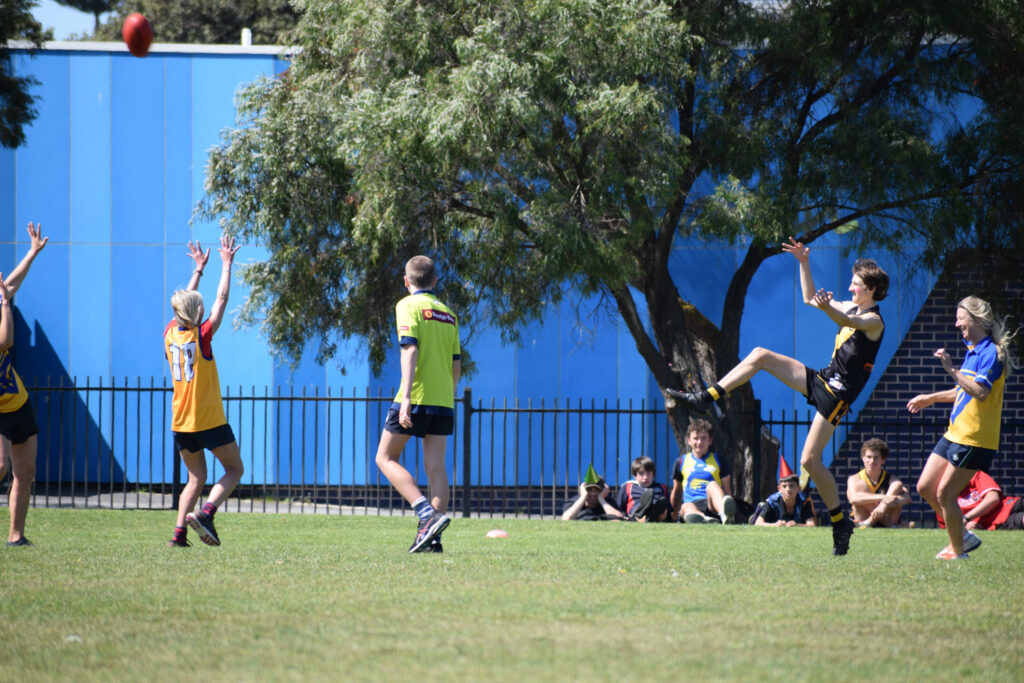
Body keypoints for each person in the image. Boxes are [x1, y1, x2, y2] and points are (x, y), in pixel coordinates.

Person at [668, 238, 887, 554]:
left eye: (857, 284)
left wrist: (828, 307)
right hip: (823, 380)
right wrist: (803, 261)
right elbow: (809, 297)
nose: (851, 287)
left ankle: (841, 524)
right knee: (760, 355)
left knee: (809, 461)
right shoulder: (851, 306)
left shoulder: (874, 321)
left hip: (837, 397)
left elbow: (848, 321)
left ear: (872, 290)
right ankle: (708, 396)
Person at [907, 296, 1018, 560]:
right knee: (925, 487)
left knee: (945, 494)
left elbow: (980, 392)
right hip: (955, 433)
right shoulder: (973, 350)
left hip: (974, 439)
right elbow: (963, 391)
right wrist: (930, 398)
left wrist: (952, 370)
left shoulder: (991, 353)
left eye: (961, 319)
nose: (957, 324)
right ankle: (963, 536)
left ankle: (958, 553)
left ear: (977, 319)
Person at [374, 255, 461, 553]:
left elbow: (409, 350)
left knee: (385, 458)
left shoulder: (407, 305)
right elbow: (456, 364)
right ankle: (432, 539)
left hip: (417, 396)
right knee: (436, 468)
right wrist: (448, 394)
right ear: (435, 281)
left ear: (406, 281)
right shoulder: (449, 314)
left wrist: (407, 398)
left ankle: (426, 514)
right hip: (443, 399)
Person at [165, 236, 245, 548]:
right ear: (196, 312)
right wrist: (226, 265)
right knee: (235, 469)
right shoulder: (202, 336)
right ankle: (207, 513)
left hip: (181, 422)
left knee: (195, 478)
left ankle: (178, 535)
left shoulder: (170, 334)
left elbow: (182, 304)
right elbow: (221, 299)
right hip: (208, 419)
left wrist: (198, 270)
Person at [0, 222, 47, 546]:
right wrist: (5, 305)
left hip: (18, 402)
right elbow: (6, 340)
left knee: (25, 471)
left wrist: (31, 253)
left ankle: (16, 536)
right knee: (0, 466)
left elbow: (10, 284)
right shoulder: (2, 312)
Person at [670, 418, 736, 524]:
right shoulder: (681, 462)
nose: (699, 442)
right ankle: (703, 519)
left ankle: (725, 515)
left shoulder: (719, 460)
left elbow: (726, 489)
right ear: (689, 440)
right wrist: (673, 516)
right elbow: (677, 492)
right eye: (695, 438)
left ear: (710, 440)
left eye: (703, 438)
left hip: (712, 504)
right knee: (686, 506)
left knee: (712, 485)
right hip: (691, 505)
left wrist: (733, 512)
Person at [846, 437, 911, 528]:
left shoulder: (891, 479)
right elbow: (853, 499)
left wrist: (883, 505)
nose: (872, 461)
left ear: (883, 460)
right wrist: (883, 497)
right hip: (864, 518)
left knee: (897, 485)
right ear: (863, 458)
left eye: (876, 458)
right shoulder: (854, 479)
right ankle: (890, 525)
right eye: (869, 457)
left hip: (885, 517)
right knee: (861, 487)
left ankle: (870, 522)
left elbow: (907, 498)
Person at [935, 470, 1024, 533]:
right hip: (996, 521)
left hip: (1009, 504)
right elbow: (951, 530)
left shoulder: (973, 475)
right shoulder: (944, 501)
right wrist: (966, 527)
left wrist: (966, 519)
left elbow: (993, 498)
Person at [615, 455, 672, 522]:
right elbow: (619, 507)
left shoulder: (662, 487)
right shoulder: (628, 486)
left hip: (659, 513)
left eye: (648, 473)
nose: (645, 477)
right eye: (641, 473)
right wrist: (625, 517)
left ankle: (652, 515)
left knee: (661, 505)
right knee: (640, 511)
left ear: (653, 474)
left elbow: (670, 508)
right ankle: (646, 515)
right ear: (635, 475)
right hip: (637, 514)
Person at [750, 471, 817, 526]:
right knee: (762, 507)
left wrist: (797, 525)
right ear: (779, 489)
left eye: (791, 486)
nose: (788, 489)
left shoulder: (804, 501)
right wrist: (775, 525)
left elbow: (812, 524)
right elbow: (758, 523)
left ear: (798, 489)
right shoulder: (772, 502)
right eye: (784, 486)